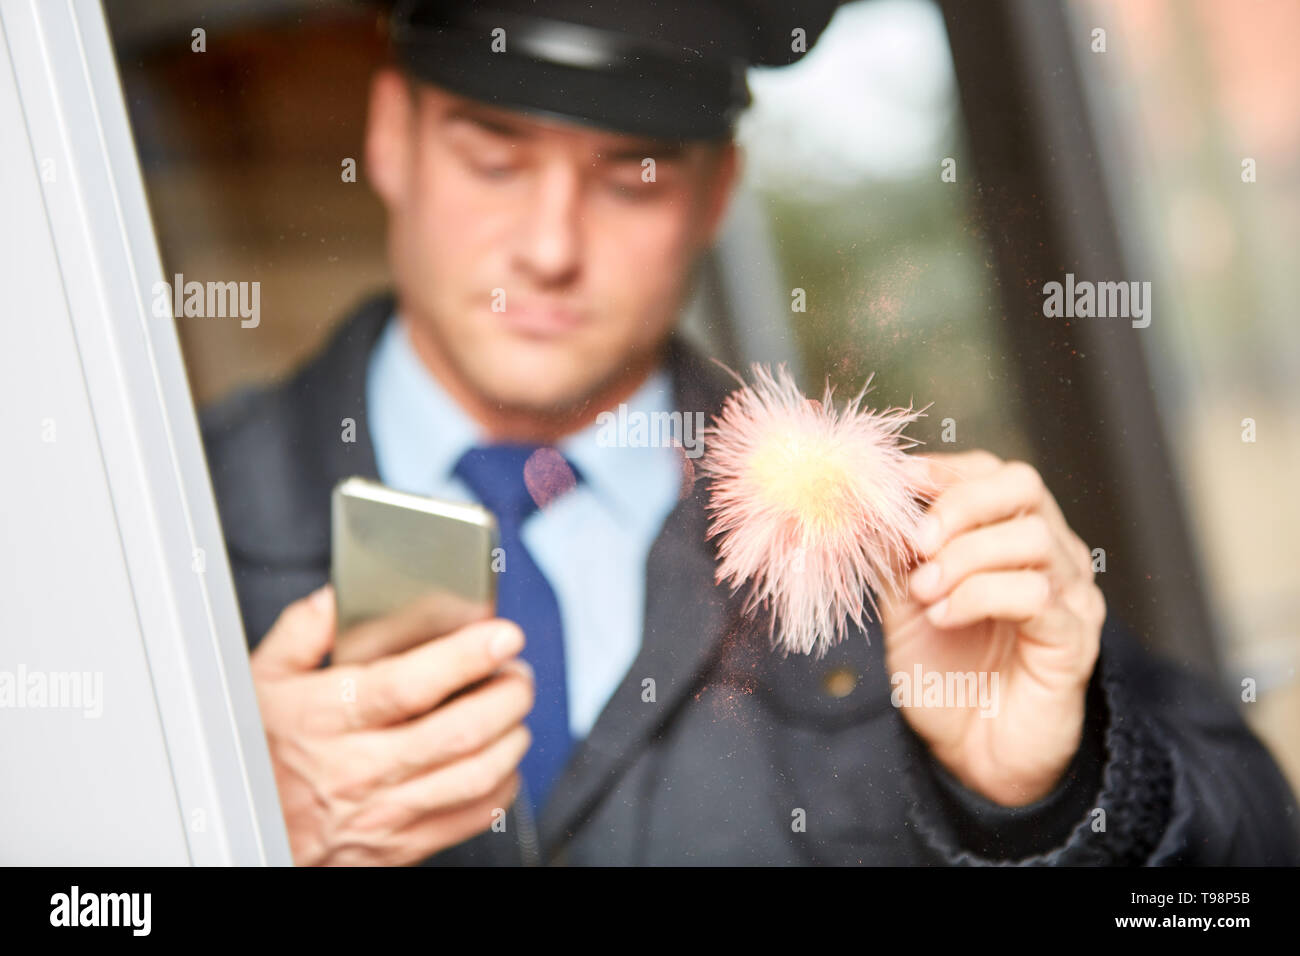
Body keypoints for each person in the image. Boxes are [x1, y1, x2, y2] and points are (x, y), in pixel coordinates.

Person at [200, 0, 1300, 865]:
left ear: (716, 190)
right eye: (492, 156)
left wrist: (1050, 792)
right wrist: (212, 832)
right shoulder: (169, 509)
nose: (548, 246)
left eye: (631, 177)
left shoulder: (892, 533)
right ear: (390, 138)